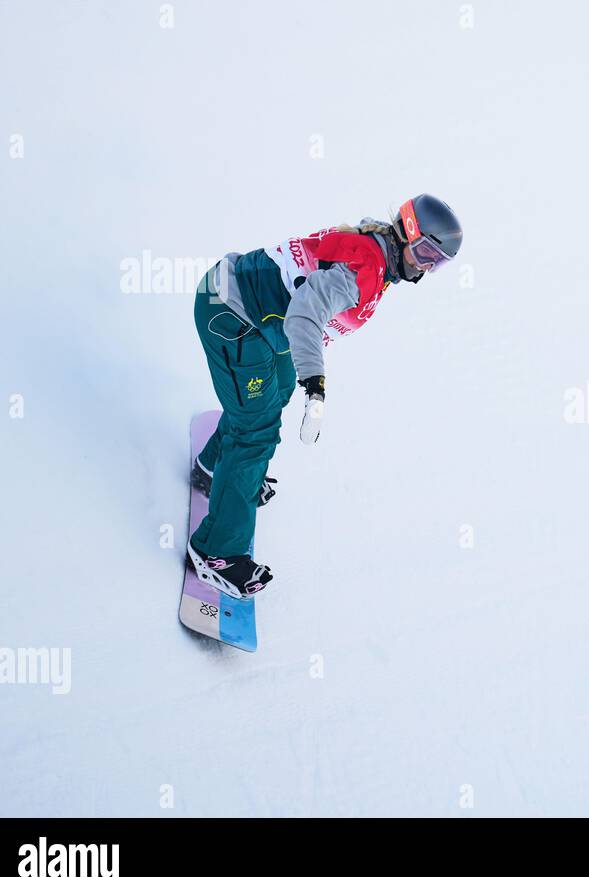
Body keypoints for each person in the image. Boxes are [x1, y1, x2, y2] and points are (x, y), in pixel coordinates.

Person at [187, 194, 463, 598]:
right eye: (423, 251)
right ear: (406, 231)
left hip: (253, 315)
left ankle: (215, 469)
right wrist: (315, 385)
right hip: (231, 315)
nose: (424, 265)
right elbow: (303, 315)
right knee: (255, 431)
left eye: (435, 262)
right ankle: (216, 554)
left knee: (276, 389)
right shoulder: (364, 269)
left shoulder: (376, 250)